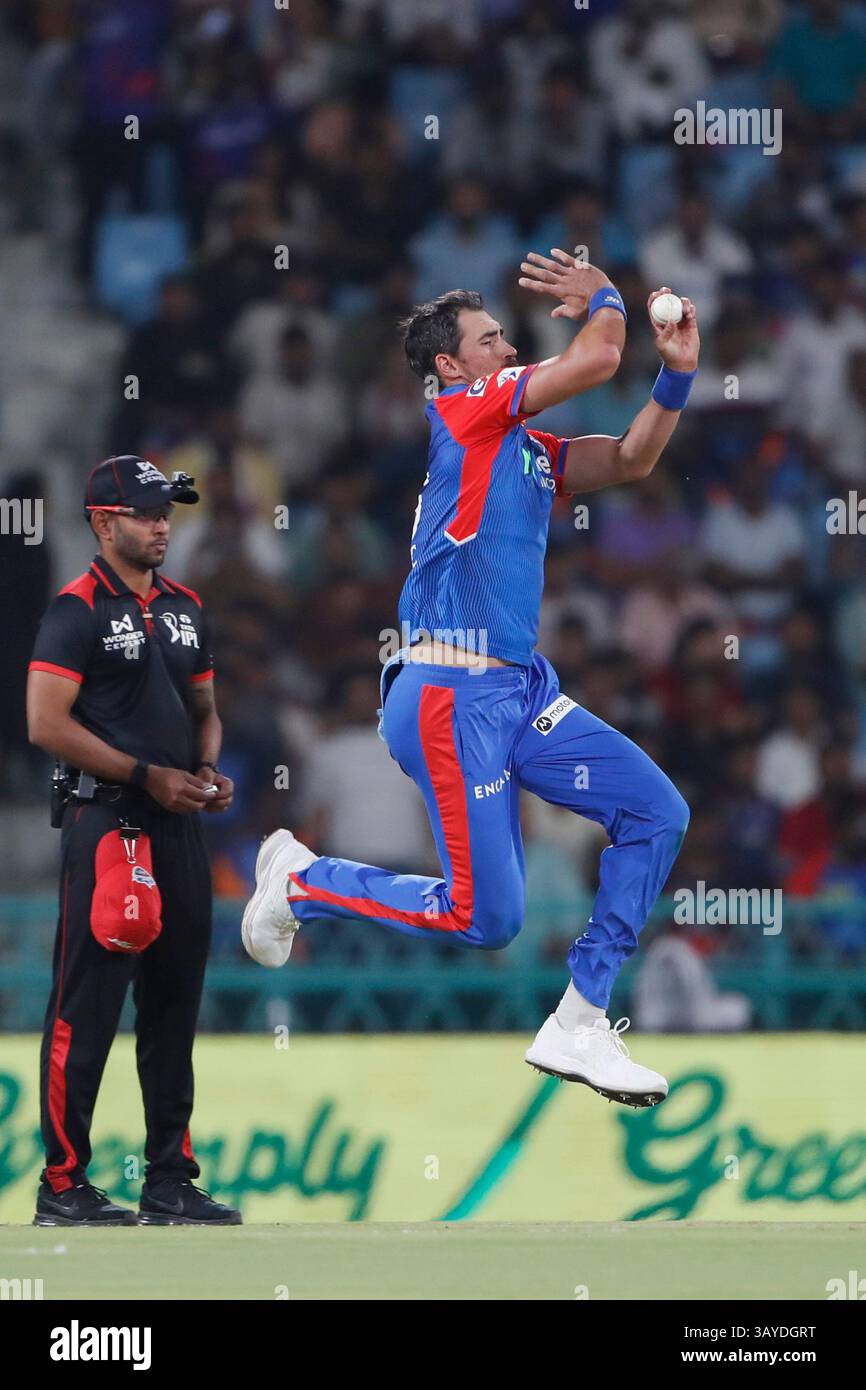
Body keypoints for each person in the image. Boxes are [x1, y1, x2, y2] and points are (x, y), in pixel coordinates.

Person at [242, 254, 700, 1108]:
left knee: (657, 810)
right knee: (486, 919)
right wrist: (601, 292)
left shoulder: (521, 446)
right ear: (451, 365)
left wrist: (675, 377)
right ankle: (306, 882)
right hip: (450, 694)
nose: (508, 343)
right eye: (491, 338)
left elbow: (634, 459)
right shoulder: (463, 411)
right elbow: (598, 357)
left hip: (518, 690)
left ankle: (581, 1017)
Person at [26, 456, 240, 1226]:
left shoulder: (186, 605)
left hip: (177, 822)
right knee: (85, 1005)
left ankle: (170, 1180)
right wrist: (146, 774)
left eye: (168, 512)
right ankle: (62, 1184)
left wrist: (206, 765)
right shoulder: (74, 609)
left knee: (174, 1004)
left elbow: (204, 705)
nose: (162, 525)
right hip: (106, 819)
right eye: (148, 513)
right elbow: (45, 724)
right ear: (103, 521)